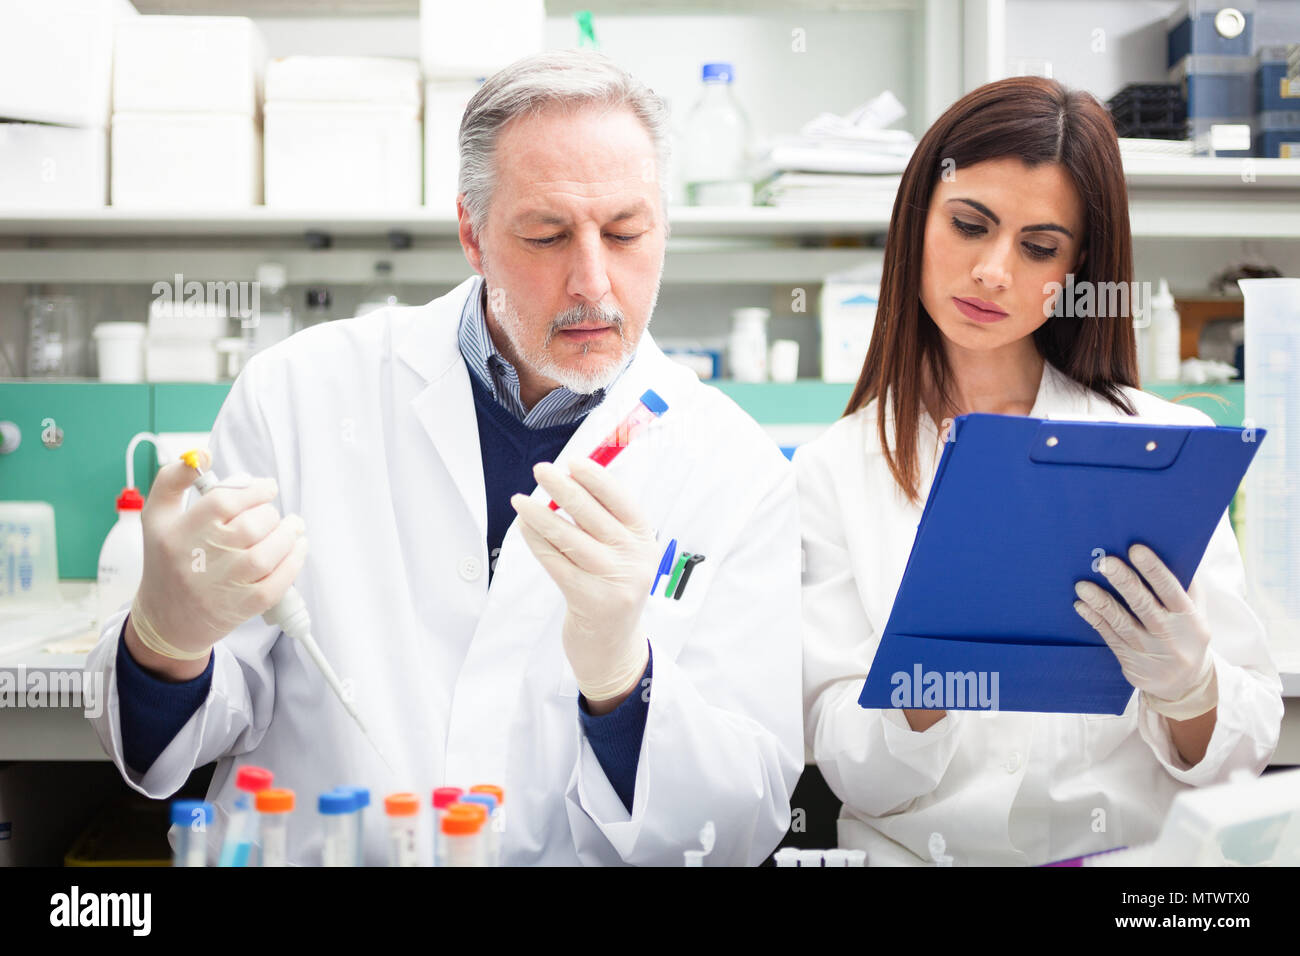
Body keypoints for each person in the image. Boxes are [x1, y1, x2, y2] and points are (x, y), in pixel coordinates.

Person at [85, 50, 803, 866]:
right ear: (472, 232)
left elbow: (740, 824)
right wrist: (165, 643)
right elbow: (161, 751)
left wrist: (622, 681)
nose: (594, 281)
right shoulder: (299, 393)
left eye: (628, 232)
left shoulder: (737, 469)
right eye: (547, 234)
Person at [796, 76, 1283, 866]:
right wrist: (930, 681)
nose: (994, 270)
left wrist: (1188, 685)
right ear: (917, 218)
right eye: (969, 224)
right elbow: (855, 776)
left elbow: (1243, 756)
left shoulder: (1163, 447)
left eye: (1038, 247)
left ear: (1077, 268)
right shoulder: (831, 474)